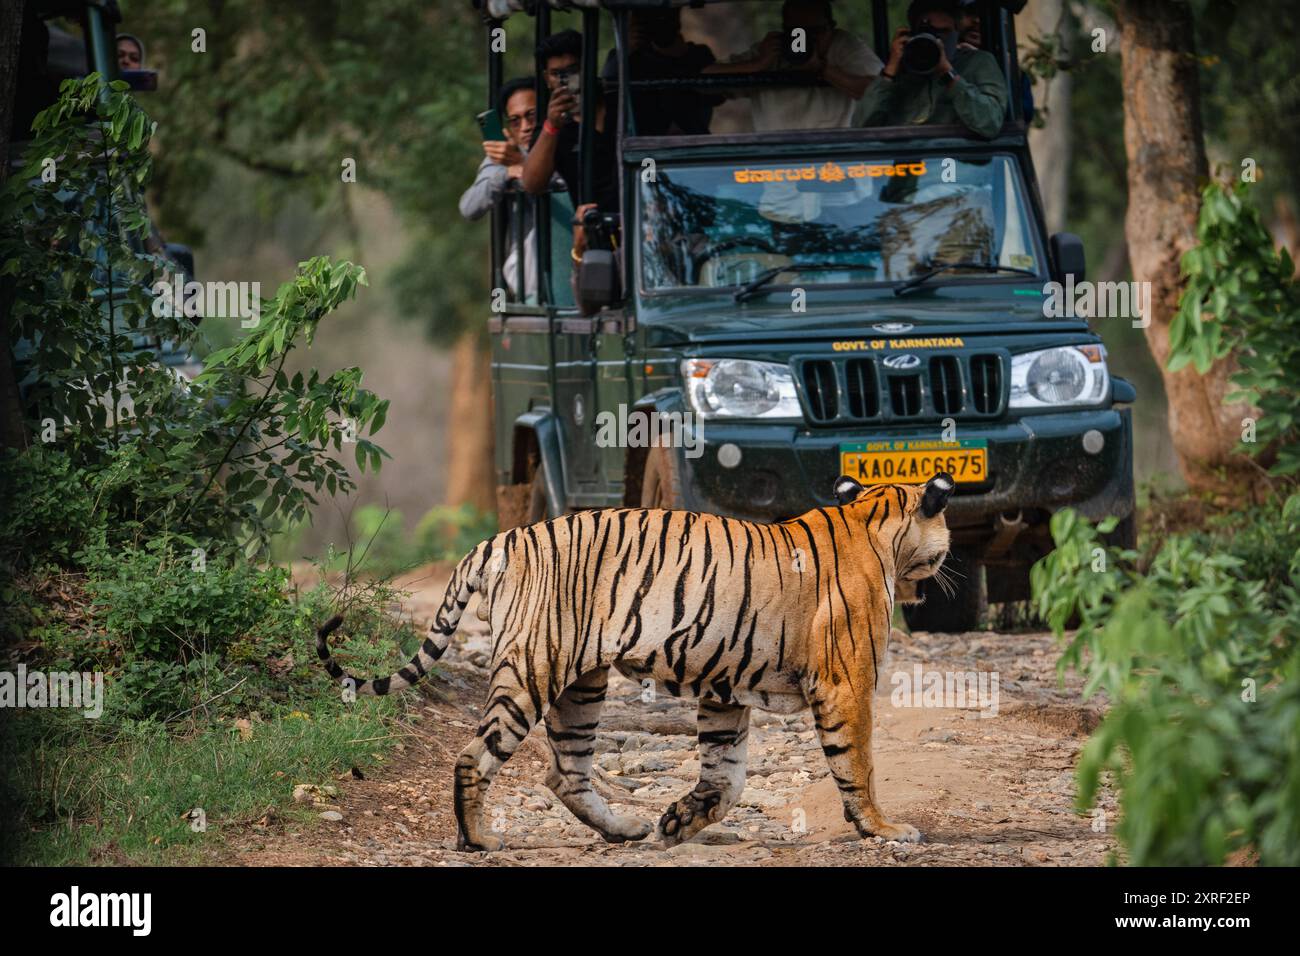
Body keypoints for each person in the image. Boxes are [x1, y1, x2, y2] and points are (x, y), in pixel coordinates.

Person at [704, 0, 880, 131]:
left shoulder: (844, 47)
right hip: (781, 166)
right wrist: (757, 65)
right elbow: (703, 80)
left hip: (836, 165)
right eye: (797, 33)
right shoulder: (773, 51)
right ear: (785, 30)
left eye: (815, 32)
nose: (805, 40)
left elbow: (881, 94)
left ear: (831, 29)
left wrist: (823, 69)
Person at [861, 0, 1008, 138]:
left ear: (957, 33)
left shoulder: (978, 62)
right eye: (928, 31)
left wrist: (948, 73)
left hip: (956, 161)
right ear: (913, 32)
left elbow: (990, 123)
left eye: (944, 32)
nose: (937, 39)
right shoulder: (900, 69)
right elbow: (862, 128)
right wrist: (891, 69)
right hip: (905, 160)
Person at [459, 77, 543, 300]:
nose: (525, 127)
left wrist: (525, 167)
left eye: (531, 115)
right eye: (515, 121)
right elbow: (469, 207)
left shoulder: (564, 144)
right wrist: (506, 172)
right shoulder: (500, 159)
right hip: (530, 279)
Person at [521, 29, 619, 215]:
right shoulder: (552, 128)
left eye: (573, 70)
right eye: (557, 74)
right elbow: (533, 184)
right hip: (594, 227)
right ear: (547, 79)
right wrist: (552, 126)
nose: (567, 81)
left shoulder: (618, 103)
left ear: (588, 67)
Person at [614, 8, 719, 136]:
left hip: (693, 137)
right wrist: (626, 50)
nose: (658, 26)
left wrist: (678, 53)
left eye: (664, 18)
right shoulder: (627, 59)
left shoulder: (698, 54)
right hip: (644, 142)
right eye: (649, 21)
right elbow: (610, 99)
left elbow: (716, 97)